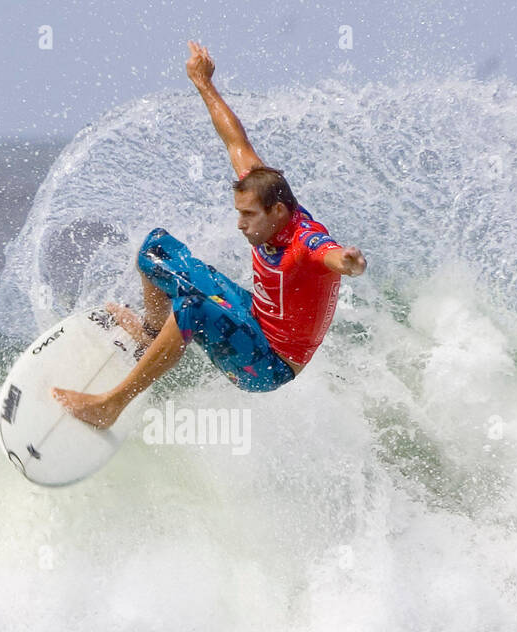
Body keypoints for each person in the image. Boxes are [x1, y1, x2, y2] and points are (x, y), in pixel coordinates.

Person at [53, 41, 367, 429]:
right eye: (240, 212)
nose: (240, 224)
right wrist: (203, 83)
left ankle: (110, 405)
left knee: (192, 307)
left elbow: (330, 255)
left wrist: (349, 264)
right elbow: (236, 141)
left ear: (279, 212)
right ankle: (151, 337)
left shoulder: (305, 242)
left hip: (269, 364)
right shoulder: (264, 190)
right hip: (254, 316)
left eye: (248, 216)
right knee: (155, 250)